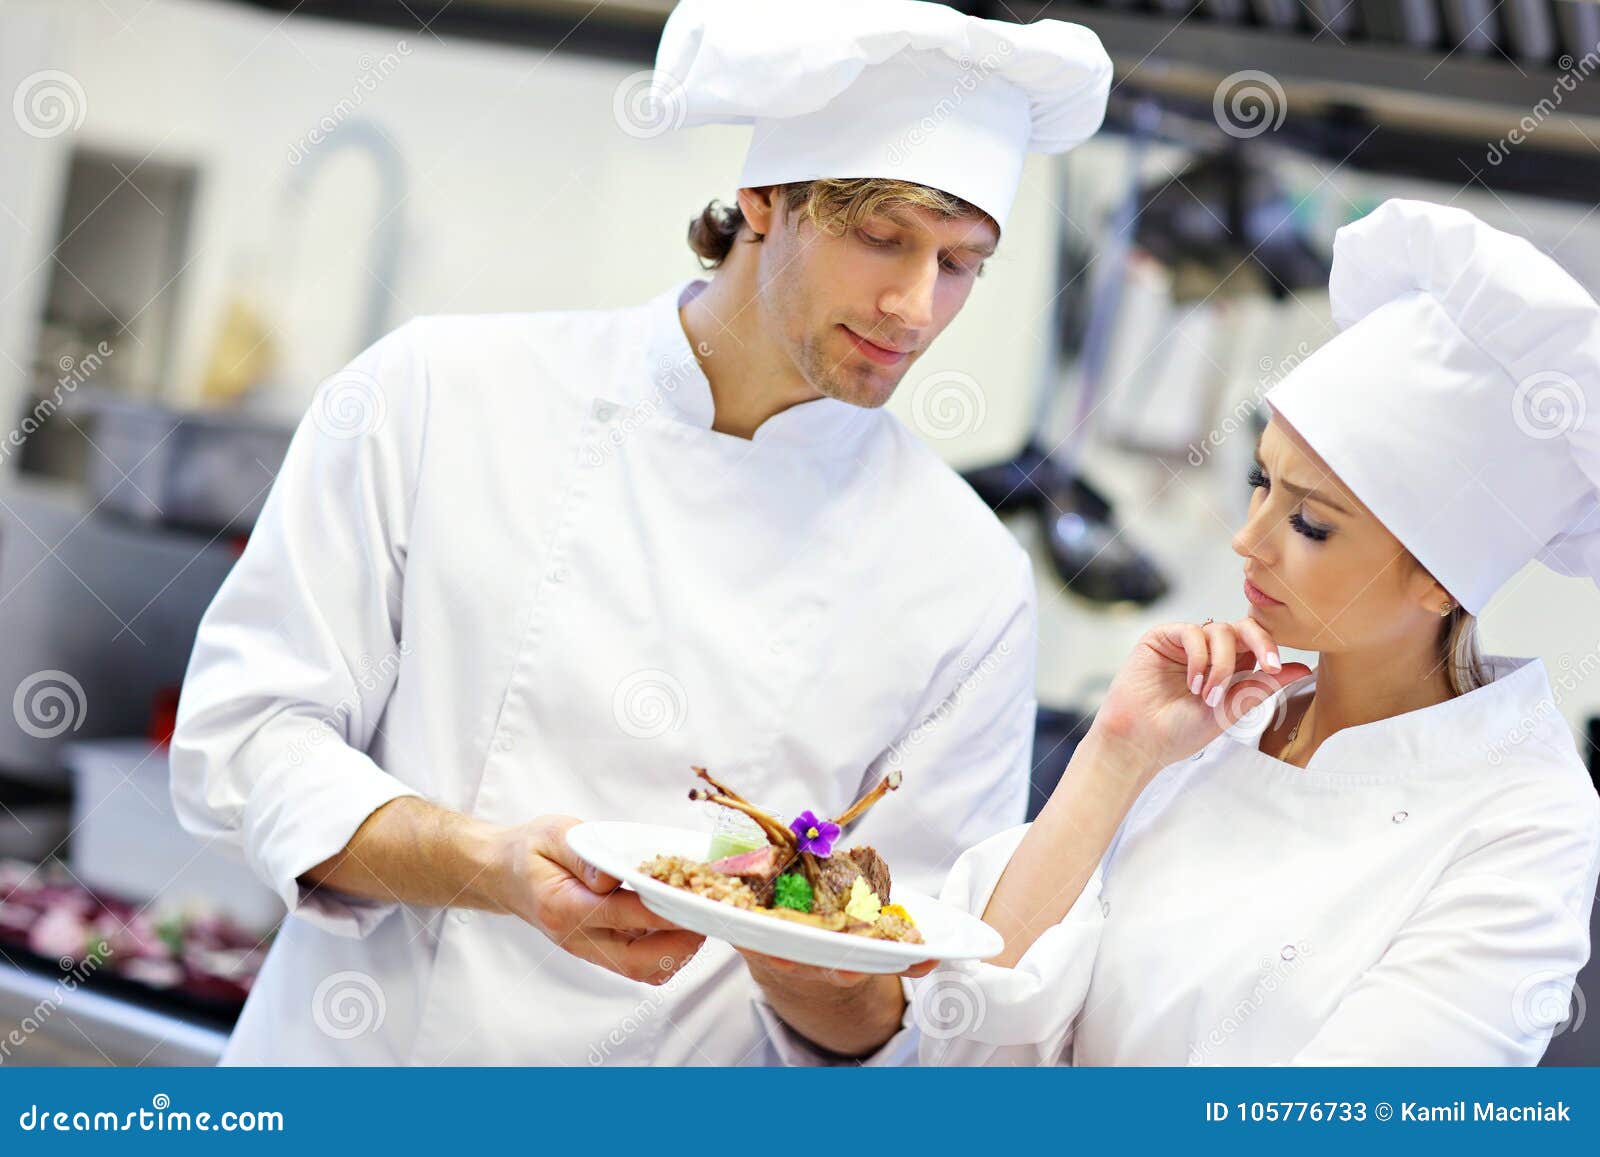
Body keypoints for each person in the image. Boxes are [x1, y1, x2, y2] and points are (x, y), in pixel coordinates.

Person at [168, 0, 1113, 1064]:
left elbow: (915, 1003)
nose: (913, 304)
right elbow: (245, 741)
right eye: (882, 238)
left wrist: (819, 961)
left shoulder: (967, 576)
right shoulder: (438, 392)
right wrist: (493, 866)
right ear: (763, 198)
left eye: (960, 262)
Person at [785, 198, 1600, 1066]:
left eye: (1312, 524)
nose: (1249, 539)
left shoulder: (1523, 817)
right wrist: (1117, 756)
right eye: (1262, 482)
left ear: (1441, 578)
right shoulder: (1224, 721)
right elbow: (960, 1032)